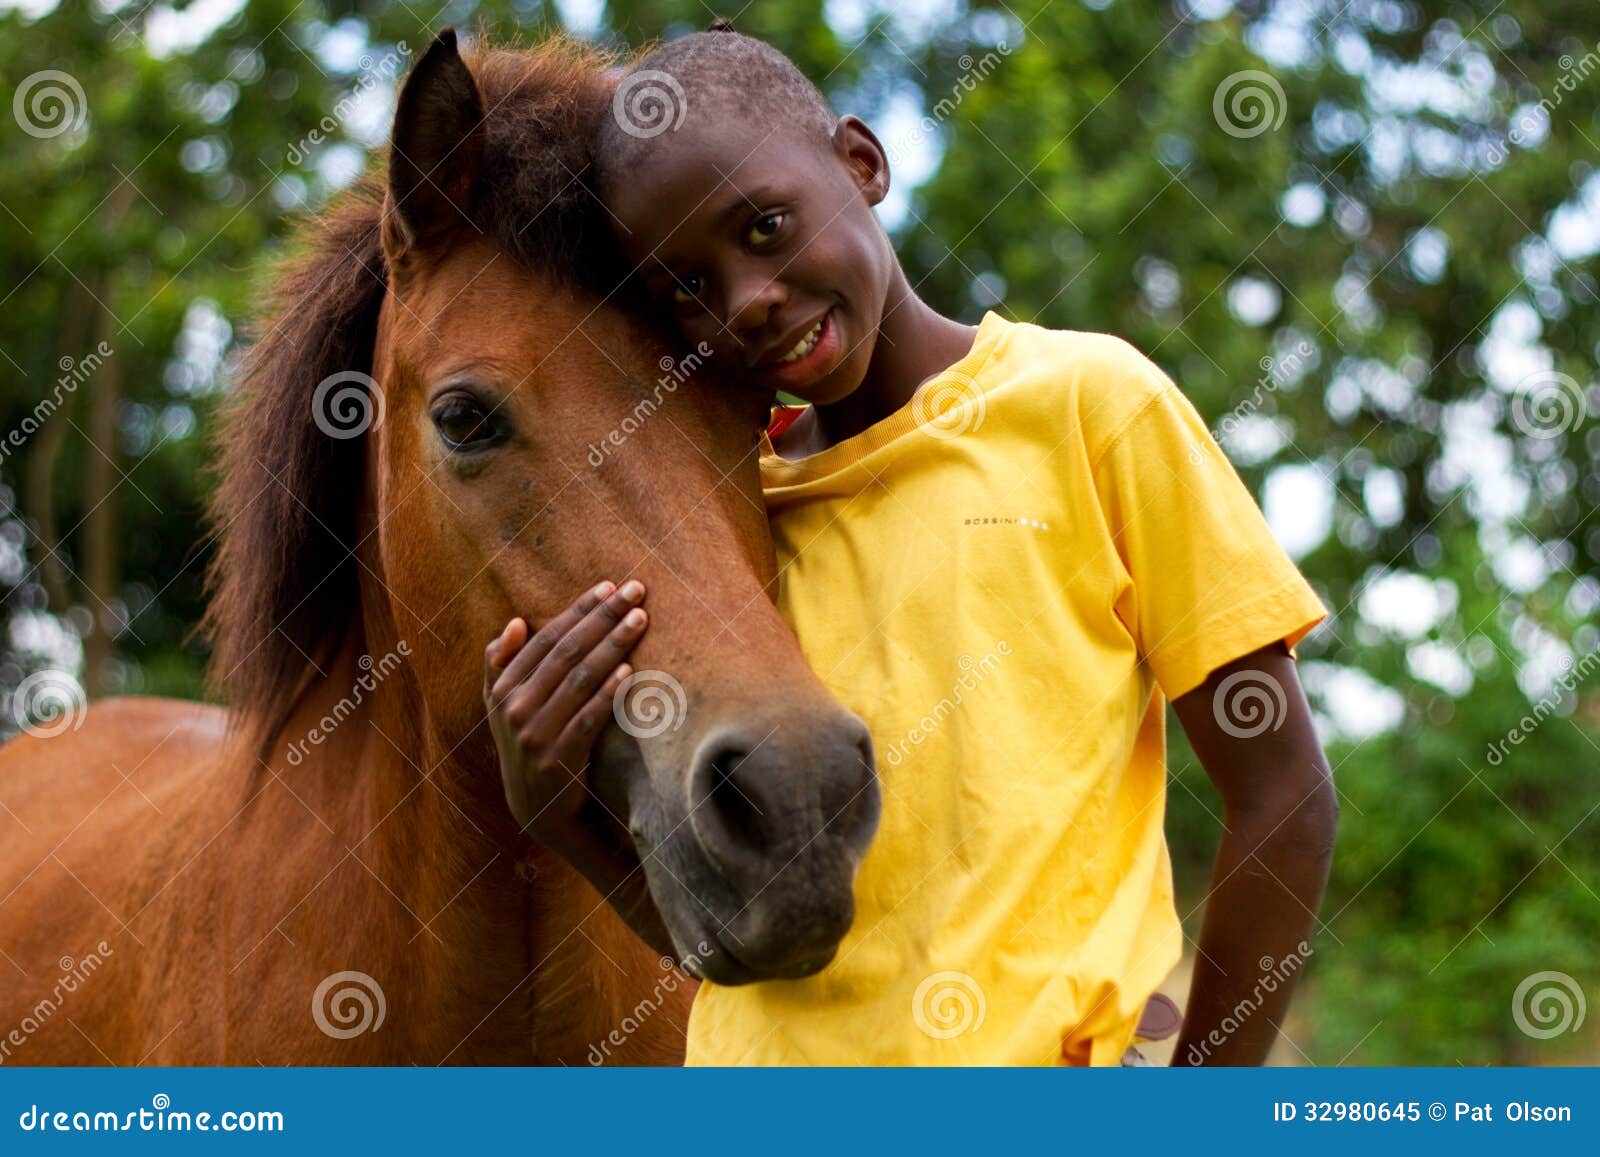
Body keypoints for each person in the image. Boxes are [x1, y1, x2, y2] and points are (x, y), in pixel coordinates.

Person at [483, 24, 1337, 1066]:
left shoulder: (1087, 406)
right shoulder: (727, 515)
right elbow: (734, 936)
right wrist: (554, 809)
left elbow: (1281, 791)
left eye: (763, 226)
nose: (748, 300)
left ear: (861, 162)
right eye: (687, 289)